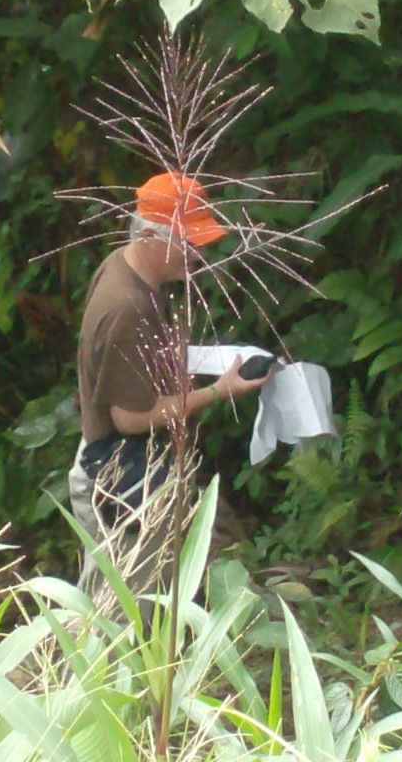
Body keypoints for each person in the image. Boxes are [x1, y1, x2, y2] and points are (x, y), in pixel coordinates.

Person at [67, 171, 268, 595]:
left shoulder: (125, 266)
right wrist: (219, 391)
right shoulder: (127, 306)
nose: (197, 254)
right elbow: (132, 419)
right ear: (148, 237)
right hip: (116, 473)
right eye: (187, 242)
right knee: (123, 619)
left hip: (135, 464)